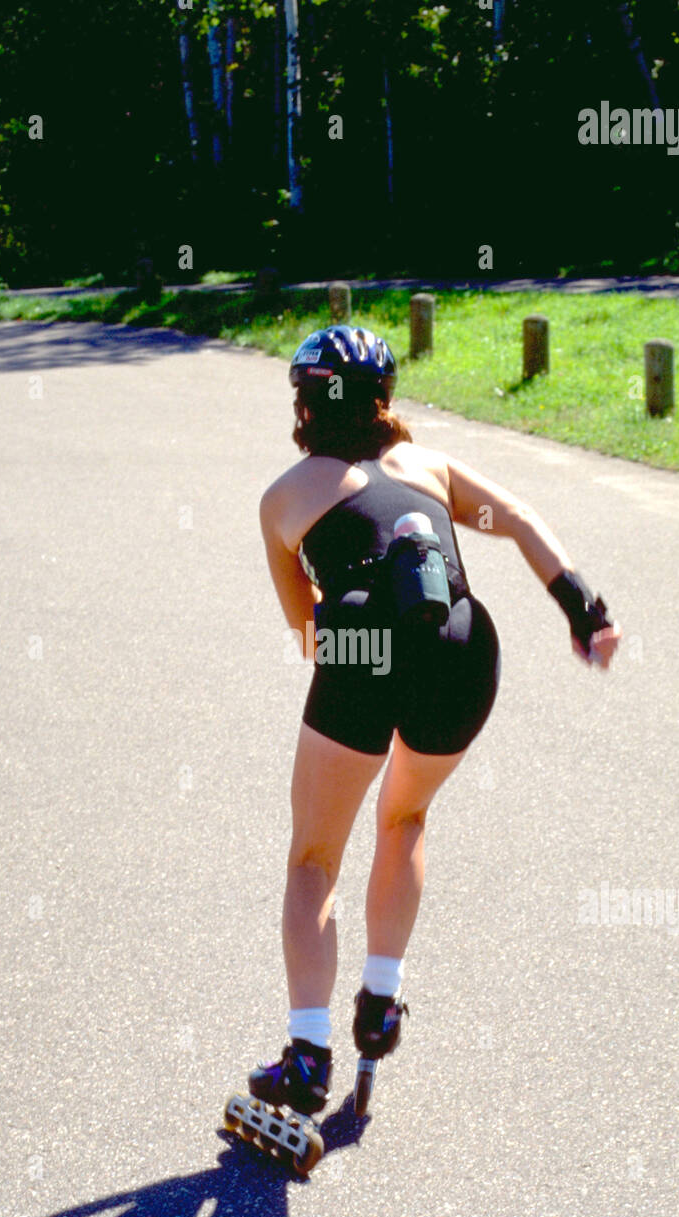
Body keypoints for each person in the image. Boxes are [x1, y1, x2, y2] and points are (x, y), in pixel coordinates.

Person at [248, 324, 620, 1120]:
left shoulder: (282, 499)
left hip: (359, 642)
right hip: (461, 644)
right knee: (406, 815)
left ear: (306, 405)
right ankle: (380, 1000)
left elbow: (310, 634)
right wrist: (584, 612)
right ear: (385, 399)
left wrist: (362, 656)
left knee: (314, 856)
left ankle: (309, 1055)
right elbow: (517, 517)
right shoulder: (426, 465)